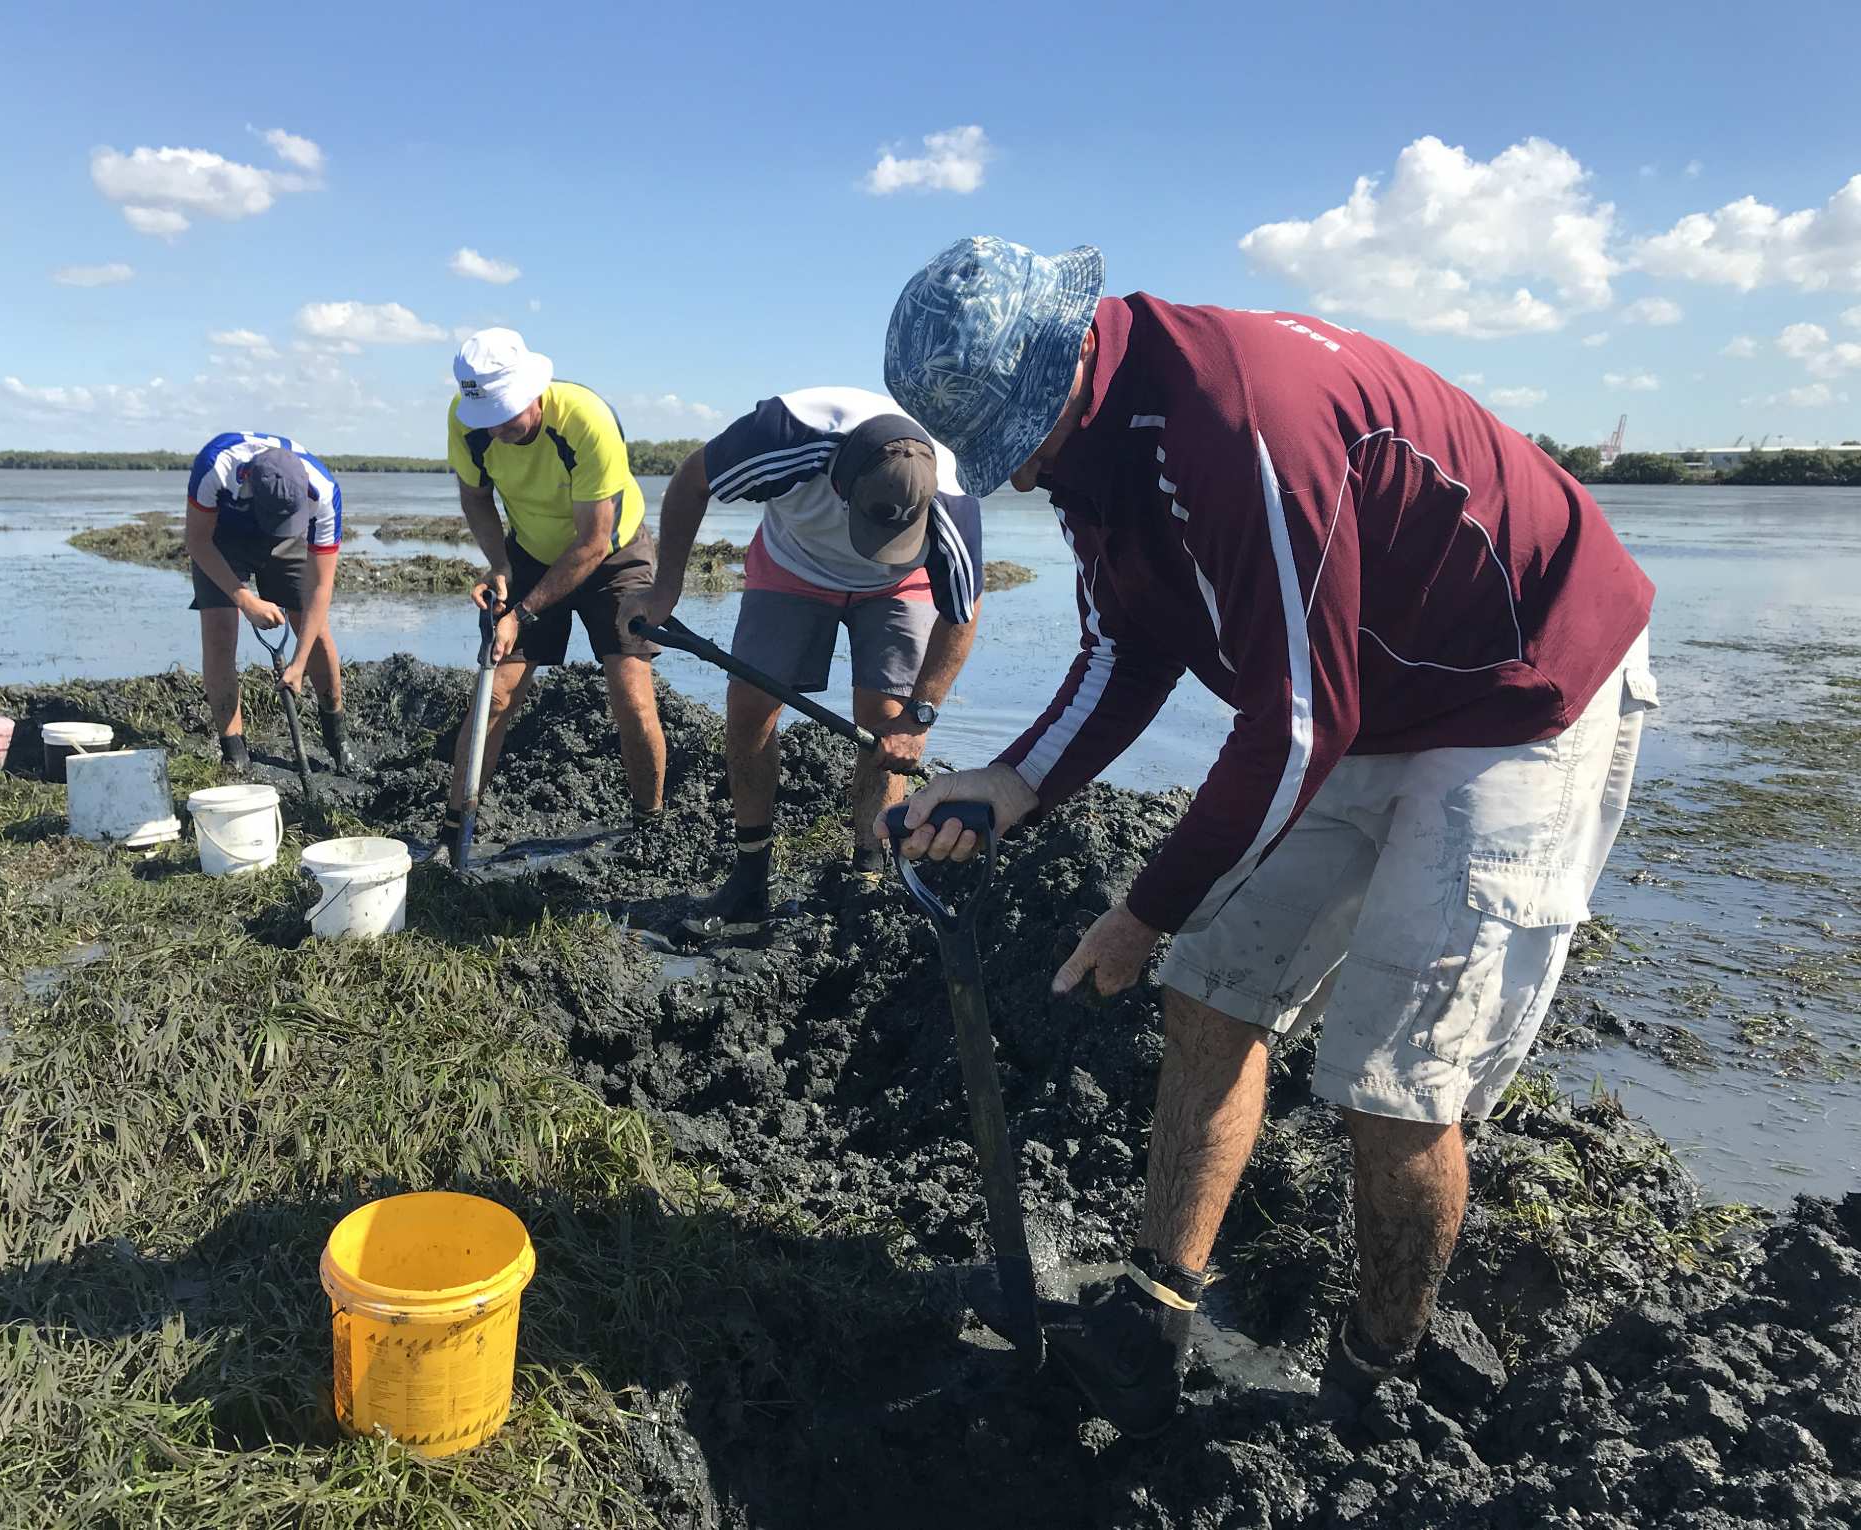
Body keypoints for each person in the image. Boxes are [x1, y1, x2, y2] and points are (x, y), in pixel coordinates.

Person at [881, 236, 1657, 1436]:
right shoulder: (1092, 456)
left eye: (1020, 440)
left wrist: (1142, 913)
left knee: (1396, 1086)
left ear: (1068, 358)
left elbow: (1294, 727)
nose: (1022, 478)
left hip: (1521, 694)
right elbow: (1119, 648)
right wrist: (1005, 782)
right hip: (1373, 694)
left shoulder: (1237, 421)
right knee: (1213, 990)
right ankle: (1152, 1315)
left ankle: (1375, 1375)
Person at [618, 389, 985, 922]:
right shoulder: (782, 436)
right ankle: (749, 878)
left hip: (897, 586)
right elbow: (691, 481)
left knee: (887, 723)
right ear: (840, 481)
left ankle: (870, 874)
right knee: (750, 711)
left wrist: (922, 714)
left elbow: (963, 611)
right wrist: (664, 588)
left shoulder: (951, 496)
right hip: (794, 567)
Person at [440, 328, 666, 848]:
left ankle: (650, 825)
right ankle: (455, 828)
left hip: (614, 556)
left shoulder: (585, 420)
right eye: (487, 418)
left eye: (506, 414)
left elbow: (592, 543)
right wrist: (499, 566)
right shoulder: (467, 421)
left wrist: (523, 610)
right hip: (531, 551)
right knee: (495, 694)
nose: (496, 429)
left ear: (532, 389)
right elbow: (476, 498)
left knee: (630, 694)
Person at [183, 432, 355, 773]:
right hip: (223, 537)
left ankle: (338, 741)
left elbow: (320, 587)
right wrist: (244, 599)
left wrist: (298, 663)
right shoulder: (215, 467)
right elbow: (197, 540)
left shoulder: (323, 491)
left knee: (315, 632)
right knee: (219, 634)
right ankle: (234, 752)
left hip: (289, 541)